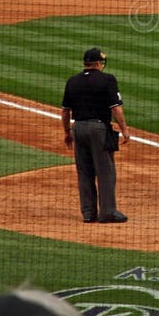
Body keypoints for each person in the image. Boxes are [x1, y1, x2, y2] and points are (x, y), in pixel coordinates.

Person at [61, 47, 130, 223]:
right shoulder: (107, 79)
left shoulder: (72, 81)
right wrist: (125, 129)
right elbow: (116, 108)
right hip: (98, 129)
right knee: (105, 171)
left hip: (78, 129)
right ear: (98, 63)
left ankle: (88, 213)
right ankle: (107, 212)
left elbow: (65, 111)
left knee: (84, 171)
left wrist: (67, 132)